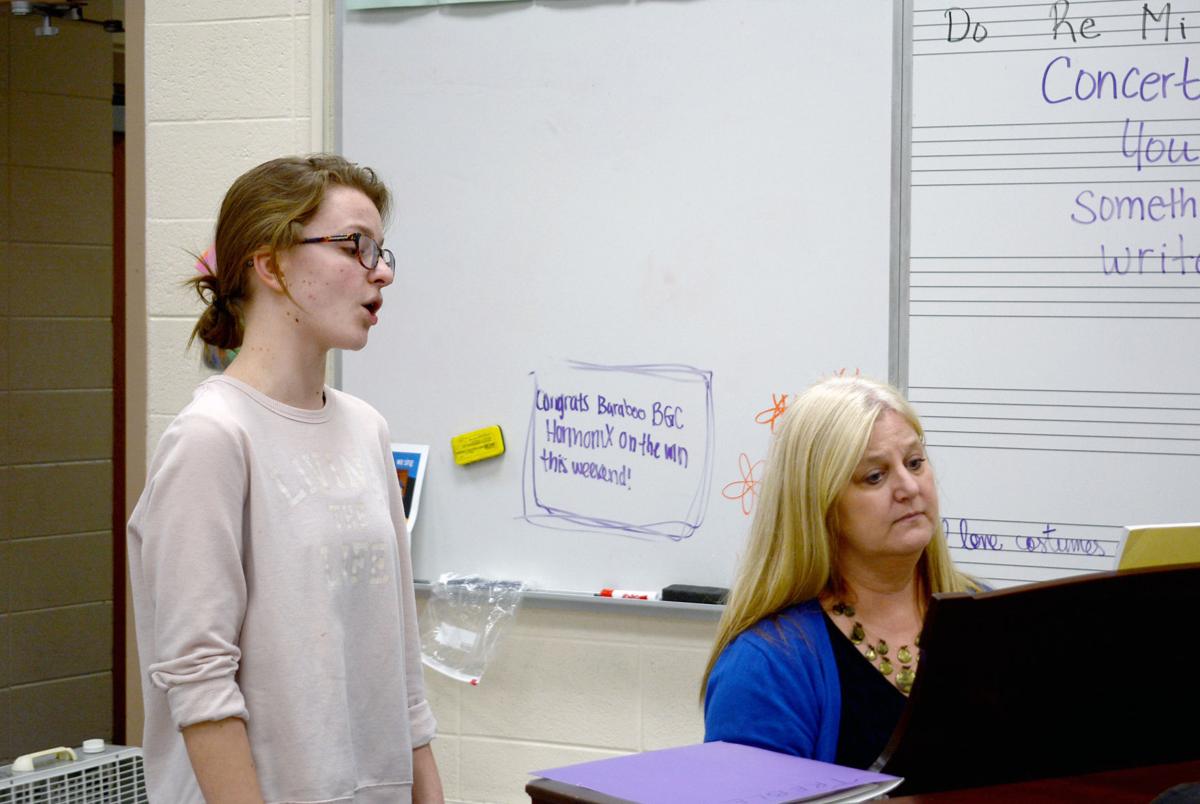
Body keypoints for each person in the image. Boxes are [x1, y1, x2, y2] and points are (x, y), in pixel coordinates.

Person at [128, 154, 444, 803]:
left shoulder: (367, 430)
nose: (380, 270)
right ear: (270, 265)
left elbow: (400, 668)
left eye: (382, 250)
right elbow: (198, 681)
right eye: (354, 246)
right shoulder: (213, 437)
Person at [702, 375, 980, 769]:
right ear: (821, 506)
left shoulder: (986, 616)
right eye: (874, 476)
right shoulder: (766, 665)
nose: (908, 487)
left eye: (915, 463)